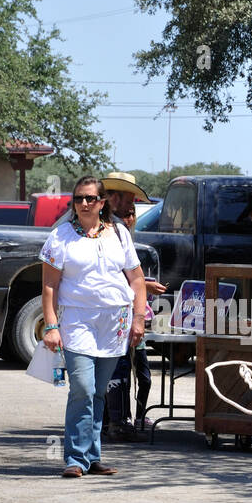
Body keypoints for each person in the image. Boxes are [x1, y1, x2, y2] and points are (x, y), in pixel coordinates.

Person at [40, 176, 149, 477]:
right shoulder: (61, 236)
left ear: (103, 203)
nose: (84, 204)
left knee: (99, 391)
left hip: (114, 322)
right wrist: (51, 326)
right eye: (78, 199)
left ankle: (92, 456)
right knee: (83, 389)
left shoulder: (120, 234)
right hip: (77, 320)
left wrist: (138, 319)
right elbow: (49, 286)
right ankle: (75, 459)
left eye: (90, 198)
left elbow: (137, 279)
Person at [101, 171, 167, 441]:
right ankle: (114, 423)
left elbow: (130, 276)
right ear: (113, 198)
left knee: (114, 370)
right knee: (112, 370)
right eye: (129, 199)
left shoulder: (115, 229)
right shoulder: (106, 229)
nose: (133, 206)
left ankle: (113, 422)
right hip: (105, 312)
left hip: (116, 313)